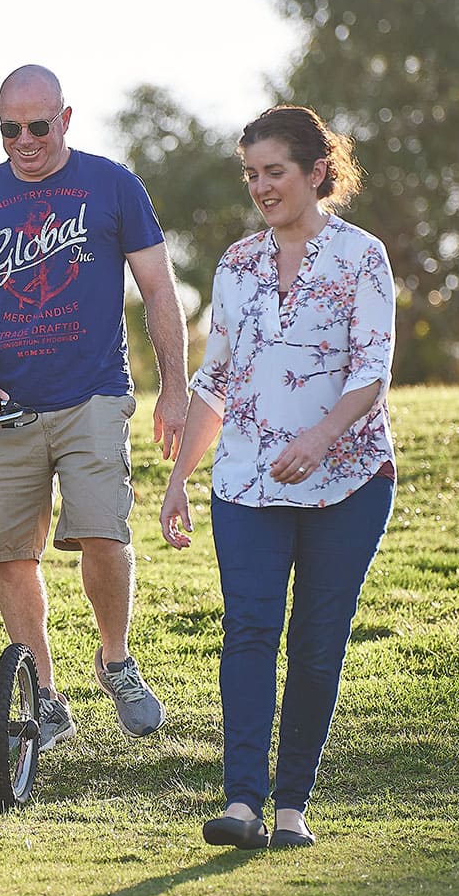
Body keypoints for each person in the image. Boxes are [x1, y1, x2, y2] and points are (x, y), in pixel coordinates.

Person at [0, 64, 188, 750]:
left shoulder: (112, 185)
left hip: (93, 393)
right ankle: (46, 695)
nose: (24, 140)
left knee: (104, 530)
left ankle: (116, 660)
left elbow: (159, 290)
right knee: (13, 553)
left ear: (65, 120)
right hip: (4, 406)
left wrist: (176, 384)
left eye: (38, 126)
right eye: (9, 129)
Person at [159, 104, 396, 849]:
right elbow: (216, 379)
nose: (261, 186)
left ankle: (292, 805)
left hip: (348, 482)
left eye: (275, 171)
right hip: (247, 484)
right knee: (249, 631)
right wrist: (177, 479)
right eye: (251, 173)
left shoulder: (363, 257)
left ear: (316, 171)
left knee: (318, 641)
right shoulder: (236, 264)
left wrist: (321, 439)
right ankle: (241, 803)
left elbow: (372, 373)